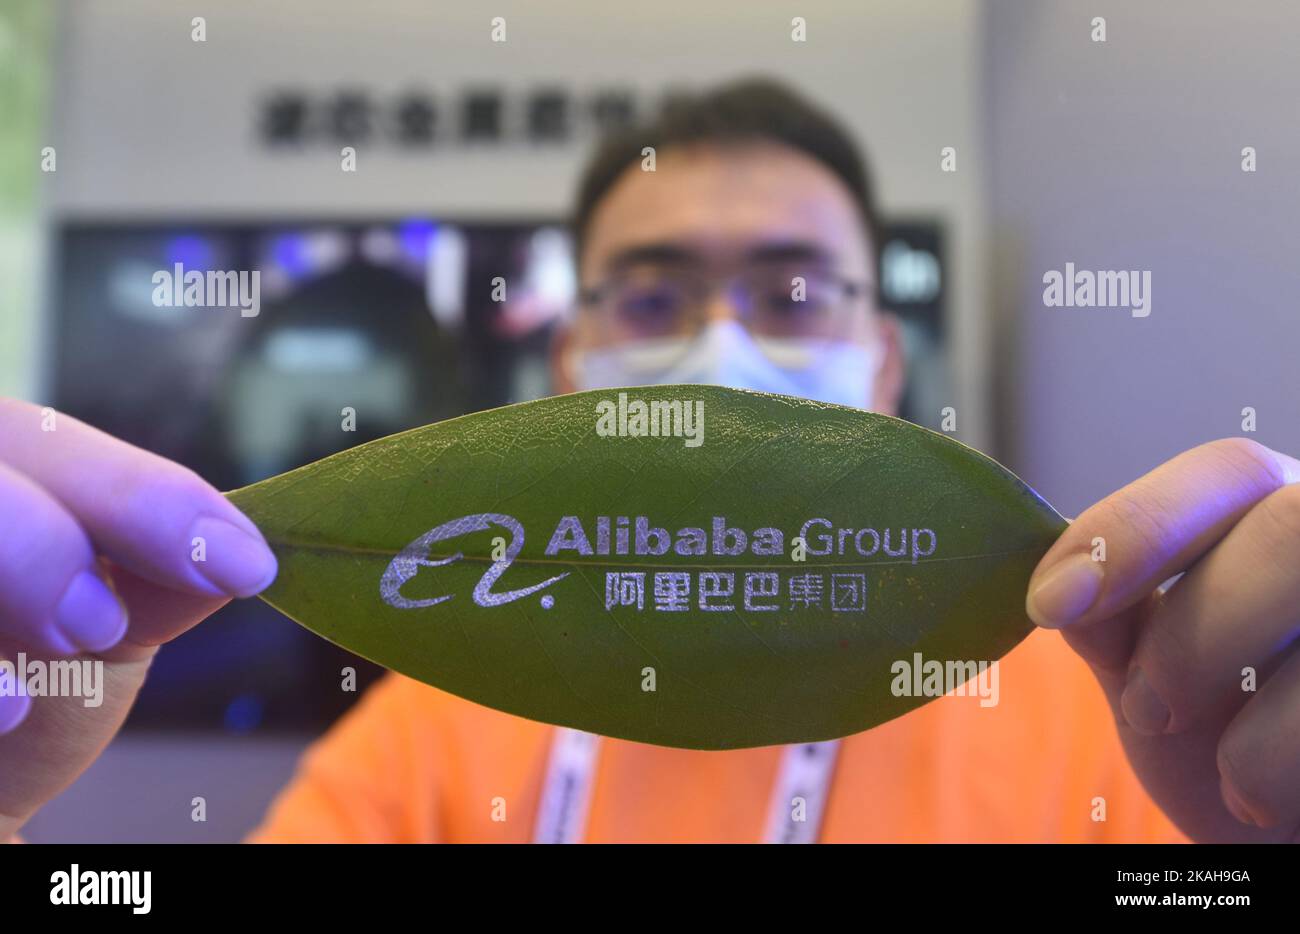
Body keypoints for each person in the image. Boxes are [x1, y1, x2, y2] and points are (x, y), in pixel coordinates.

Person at [2, 78, 1298, 843]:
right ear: (568, 363)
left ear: (886, 366)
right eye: (650, 297)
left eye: (793, 294)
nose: (721, 343)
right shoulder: (426, 735)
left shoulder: (1135, 728)